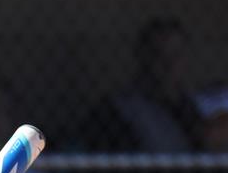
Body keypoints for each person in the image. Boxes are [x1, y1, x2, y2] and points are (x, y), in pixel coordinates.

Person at [76, 16, 198, 153]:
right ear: (143, 57)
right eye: (158, 54)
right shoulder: (120, 109)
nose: (168, 63)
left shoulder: (195, 107)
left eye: (176, 54)